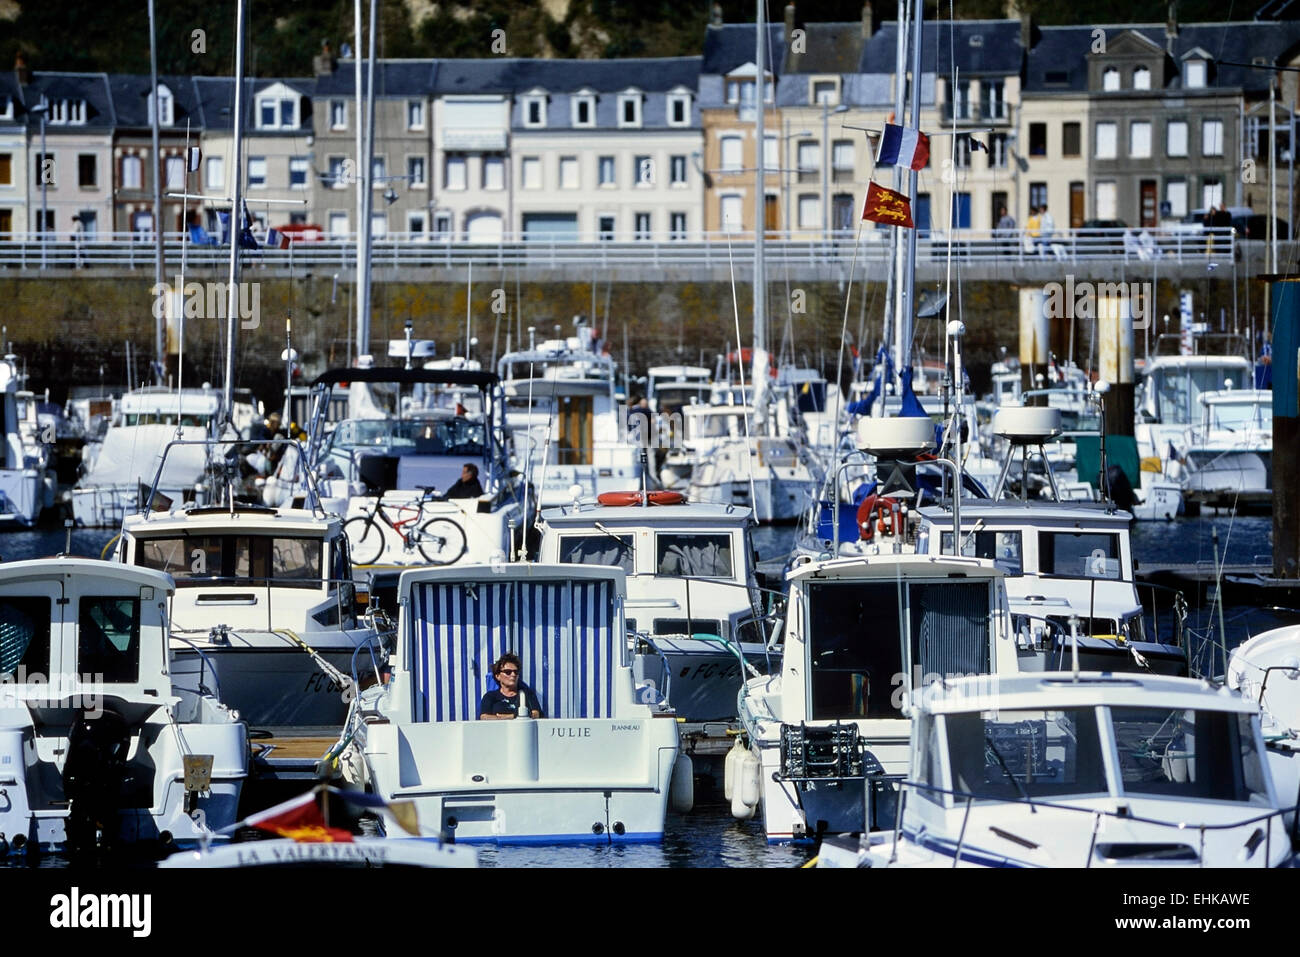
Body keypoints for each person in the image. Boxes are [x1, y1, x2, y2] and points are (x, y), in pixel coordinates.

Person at [479, 653, 543, 719]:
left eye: (516, 672)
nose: (513, 675)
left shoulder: (527, 694)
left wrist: (508, 717)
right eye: (508, 672)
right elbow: (484, 717)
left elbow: (536, 714)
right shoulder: (490, 696)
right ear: (498, 676)